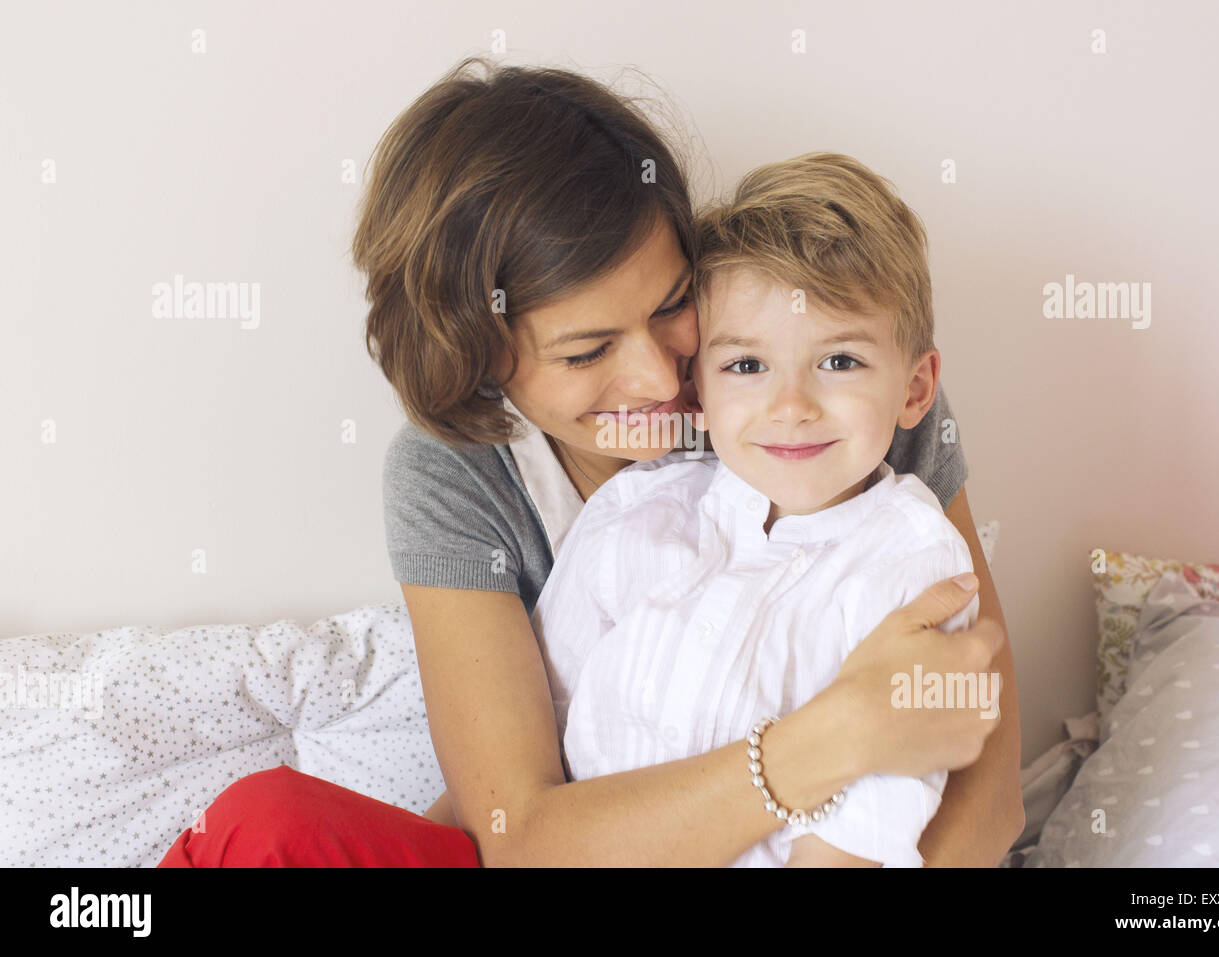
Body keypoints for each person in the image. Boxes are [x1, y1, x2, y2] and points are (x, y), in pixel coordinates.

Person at [158, 57, 1021, 868]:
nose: (657, 377)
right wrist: (830, 739)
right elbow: (518, 832)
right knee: (259, 826)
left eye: (674, 304)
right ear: (483, 363)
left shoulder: (831, 397)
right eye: (586, 350)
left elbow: (989, 800)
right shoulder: (457, 472)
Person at [534, 152, 987, 867]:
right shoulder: (635, 515)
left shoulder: (912, 561)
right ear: (698, 390)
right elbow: (541, 737)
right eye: (747, 366)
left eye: (839, 361)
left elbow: (865, 828)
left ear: (915, 388)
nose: (791, 406)